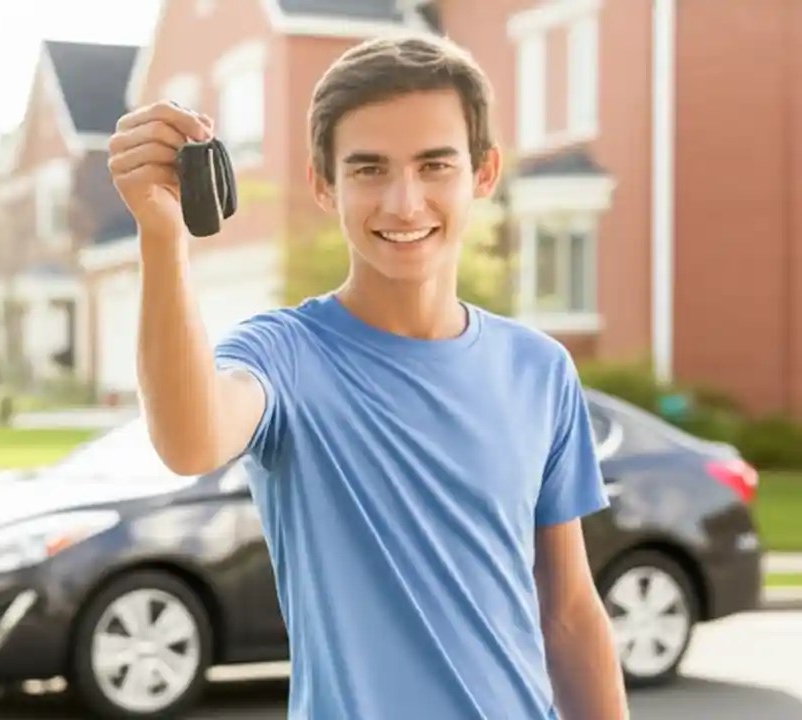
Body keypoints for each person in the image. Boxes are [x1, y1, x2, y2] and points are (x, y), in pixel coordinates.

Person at [107, 28, 628, 720]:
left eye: (434, 166)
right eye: (370, 169)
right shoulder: (285, 356)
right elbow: (188, 441)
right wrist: (162, 235)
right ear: (325, 184)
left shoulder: (539, 369)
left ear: (484, 174)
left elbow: (567, 612)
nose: (404, 203)